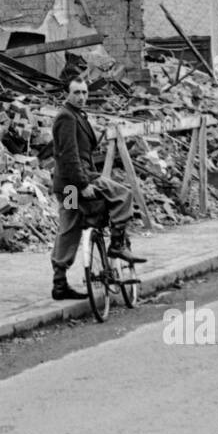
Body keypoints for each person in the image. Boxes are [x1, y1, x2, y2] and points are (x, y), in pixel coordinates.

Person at [49, 73, 144, 301]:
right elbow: (69, 155)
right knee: (123, 194)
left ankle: (59, 283)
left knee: (70, 226)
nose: (82, 97)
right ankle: (118, 244)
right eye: (77, 93)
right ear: (67, 94)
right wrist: (82, 184)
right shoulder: (67, 117)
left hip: (70, 183)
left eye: (84, 92)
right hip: (75, 182)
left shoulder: (76, 115)